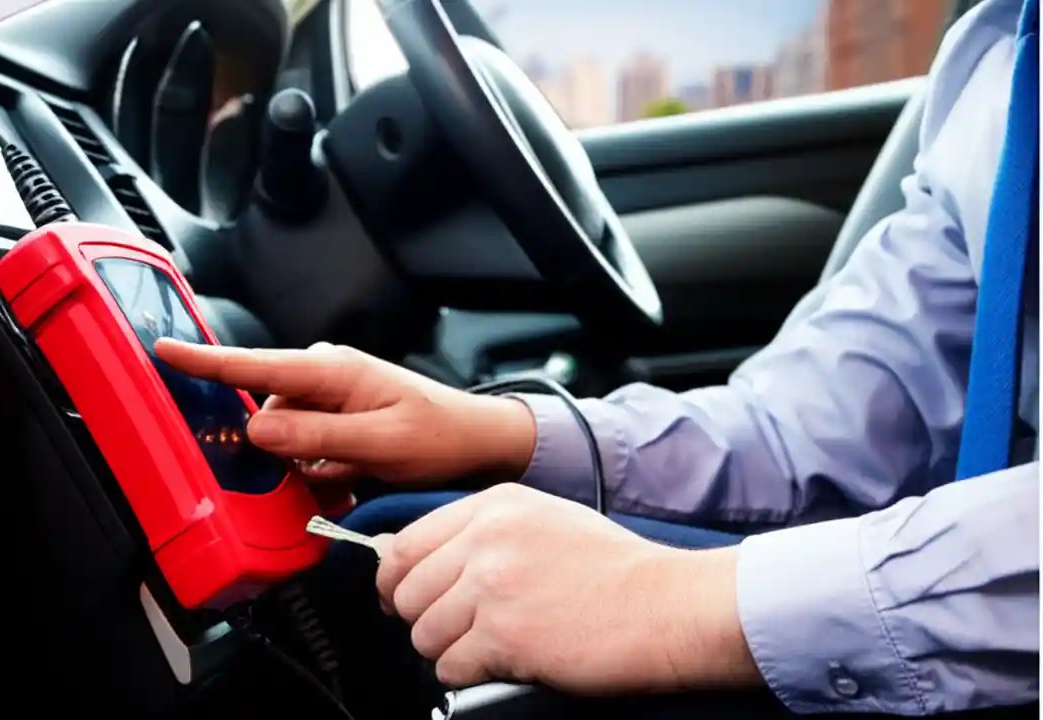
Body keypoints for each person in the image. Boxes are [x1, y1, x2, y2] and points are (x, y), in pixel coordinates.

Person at [155, 0, 1039, 714]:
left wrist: (667, 605)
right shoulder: (1004, 53)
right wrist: (492, 432)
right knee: (402, 527)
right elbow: (836, 419)